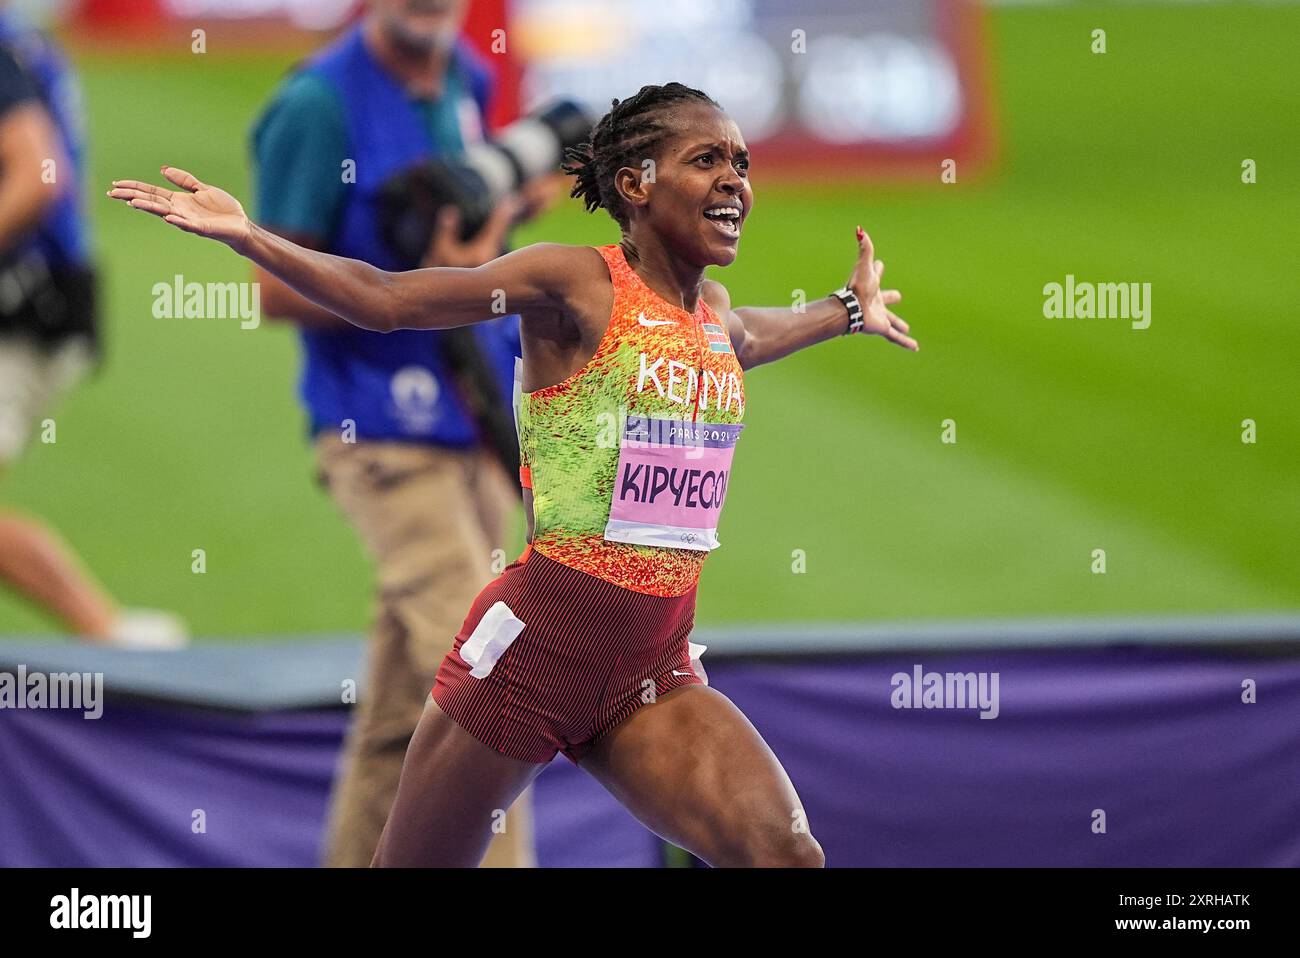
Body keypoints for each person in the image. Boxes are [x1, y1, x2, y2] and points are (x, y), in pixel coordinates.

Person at [109, 80, 918, 867]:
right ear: (636, 184)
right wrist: (251, 237)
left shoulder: (708, 316)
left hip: (652, 670)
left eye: (741, 161)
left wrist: (846, 312)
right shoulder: (575, 284)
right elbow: (390, 300)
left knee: (782, 854)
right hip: (530, 659)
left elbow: (749, 333)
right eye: (707, 160)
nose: (735, 180)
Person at [248, 0, 543, 867]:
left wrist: (492, 236)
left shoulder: (467, 77)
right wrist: (427, 279)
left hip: (472, 422)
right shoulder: (316, 106)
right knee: (497, 681)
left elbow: (471, 238)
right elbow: (271, 287)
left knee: (401, 718)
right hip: (377, 433)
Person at [0, 3, 185, 648]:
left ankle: (112, 637)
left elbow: (34, 174)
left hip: (24, 311)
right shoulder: (21, 40)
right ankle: (112, 634)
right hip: (50, 299)